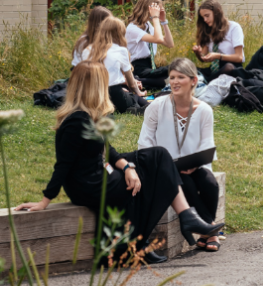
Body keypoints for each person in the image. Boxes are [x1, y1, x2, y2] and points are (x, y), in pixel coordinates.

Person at [14, 61, 224, 264]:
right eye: (104, 83)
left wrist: (127, 167)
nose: (109, 88)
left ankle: (178, 221)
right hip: (89, 184)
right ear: (94, 87)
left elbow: (107, 149)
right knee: (152, 172)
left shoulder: (88, 115)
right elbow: (63, 165)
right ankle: (148, 237)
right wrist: (45, 201)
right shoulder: (77, 120)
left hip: (97, 172)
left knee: (158, 156)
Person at [138, 57, 221, 253]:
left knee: (209, 181)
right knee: (187, 184)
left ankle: (206, 230)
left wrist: (198, 164)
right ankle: (211, 231)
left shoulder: (204, 111)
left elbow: (207, 144)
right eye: (172, 77)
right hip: (165, 167)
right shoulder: (157, 106)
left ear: (193, 81)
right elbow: (144, 142)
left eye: (180, 77)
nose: (174, 82)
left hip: (193, 164)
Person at [83, 16, 146, 113]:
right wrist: (138, 92)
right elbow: (132, 83)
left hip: (93, 93)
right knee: (135, 98)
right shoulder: (120, 50)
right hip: (114, 93)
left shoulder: (87, 50)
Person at [125, 0, 174, 88]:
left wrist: (163, 21)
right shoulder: (132, 28)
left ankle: (141, 82)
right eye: (156, 10)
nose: (157, 12)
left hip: (150, 66)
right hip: (138, 67)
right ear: (148, 9)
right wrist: (155, 18)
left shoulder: (148, 25)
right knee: (171, 71)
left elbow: (169, 44)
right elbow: (158, 39)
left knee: (174, 72)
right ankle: (135, 80)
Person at [192, 0, 245, 81]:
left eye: (207, 16)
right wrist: (198, 53)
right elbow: (203, 58)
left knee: (228, 67)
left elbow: (239, 57)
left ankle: (206, 81)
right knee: (187, 69)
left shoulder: (234, 27)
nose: (205, 20)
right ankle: (206, 80)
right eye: (203, 17)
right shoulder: (208, 31)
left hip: (232, 68)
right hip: (214, 70)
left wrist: (218, 56)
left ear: (217, 12)